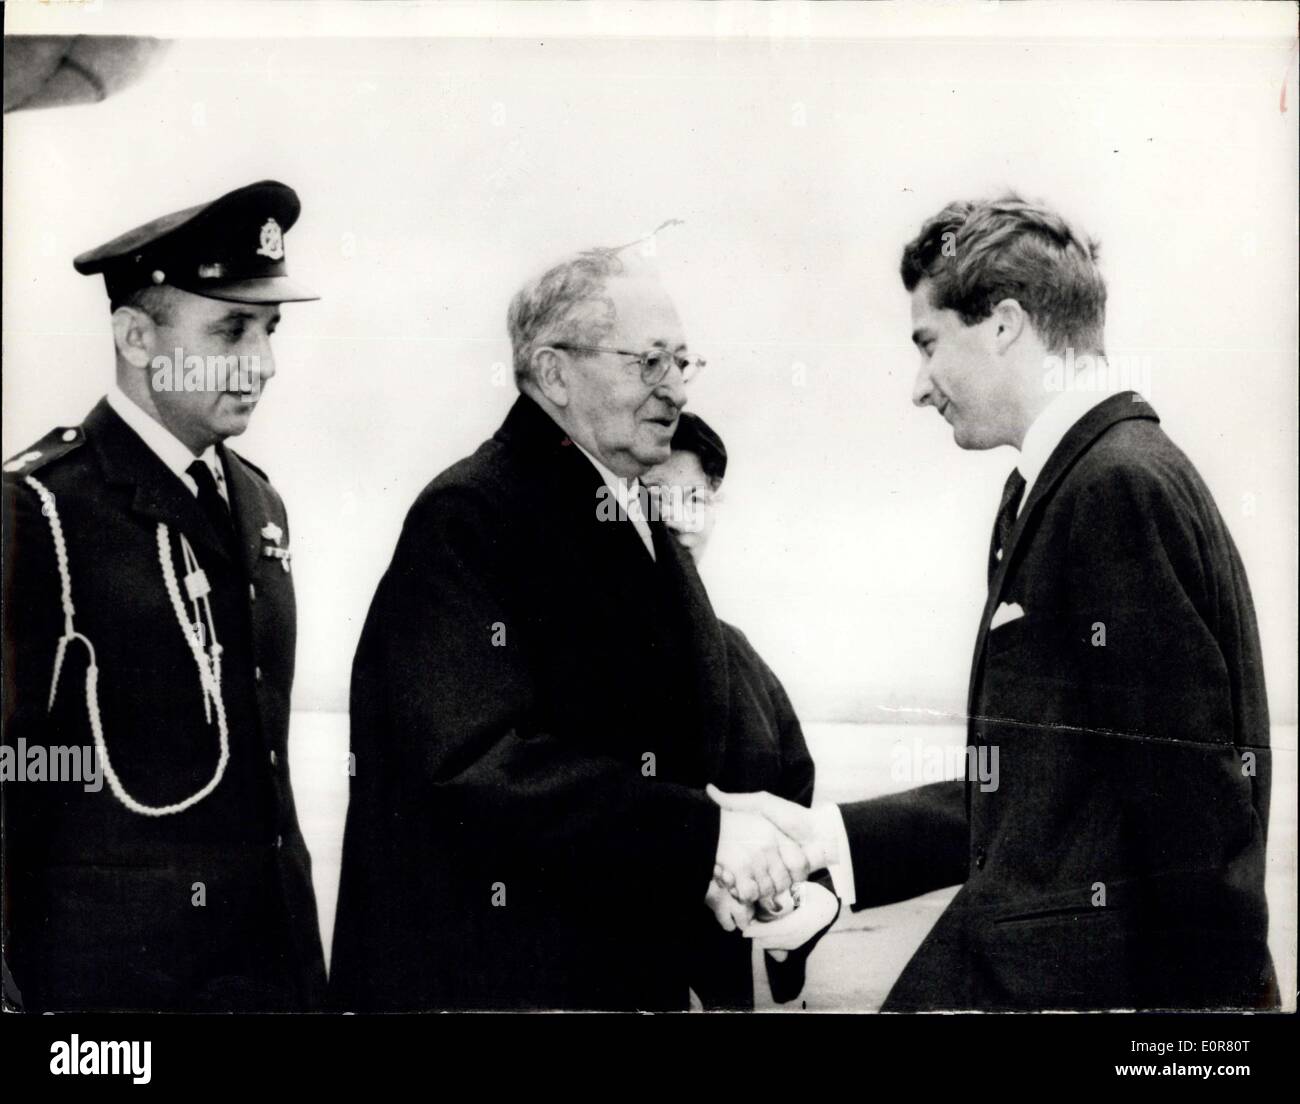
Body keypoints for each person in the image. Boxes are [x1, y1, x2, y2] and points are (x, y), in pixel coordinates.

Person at [711, 194, 1277, 1011]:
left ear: (1005, 323)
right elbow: (1036, 795)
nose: (919, 386)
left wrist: (1207, 1058)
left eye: (927, 342)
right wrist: (824, 838)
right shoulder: (1061, 486)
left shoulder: (1114, 487)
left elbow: (1193, 817)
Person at [330, 248, 808, 1011]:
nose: (676, 388)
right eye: (649, 362)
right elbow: (474, 764)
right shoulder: (471, 516)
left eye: (683, 363)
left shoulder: (635, 517)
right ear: (553, 373)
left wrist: (714, 856)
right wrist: (704, 838)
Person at [1, 180, 328, 1011]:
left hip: (270, 980)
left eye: (269, 329)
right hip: (115, 1001)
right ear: (135, 335)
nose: (264, 363)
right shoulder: (38, 510)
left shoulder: (259, 505)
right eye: (230, 329)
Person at [642, 413, 840, 1008]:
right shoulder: (572, 645)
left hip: (723, 984)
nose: (677, 518)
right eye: (654, 497)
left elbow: (794, 792)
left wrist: (796, 911)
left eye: (695, 498)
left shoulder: (740, 656)